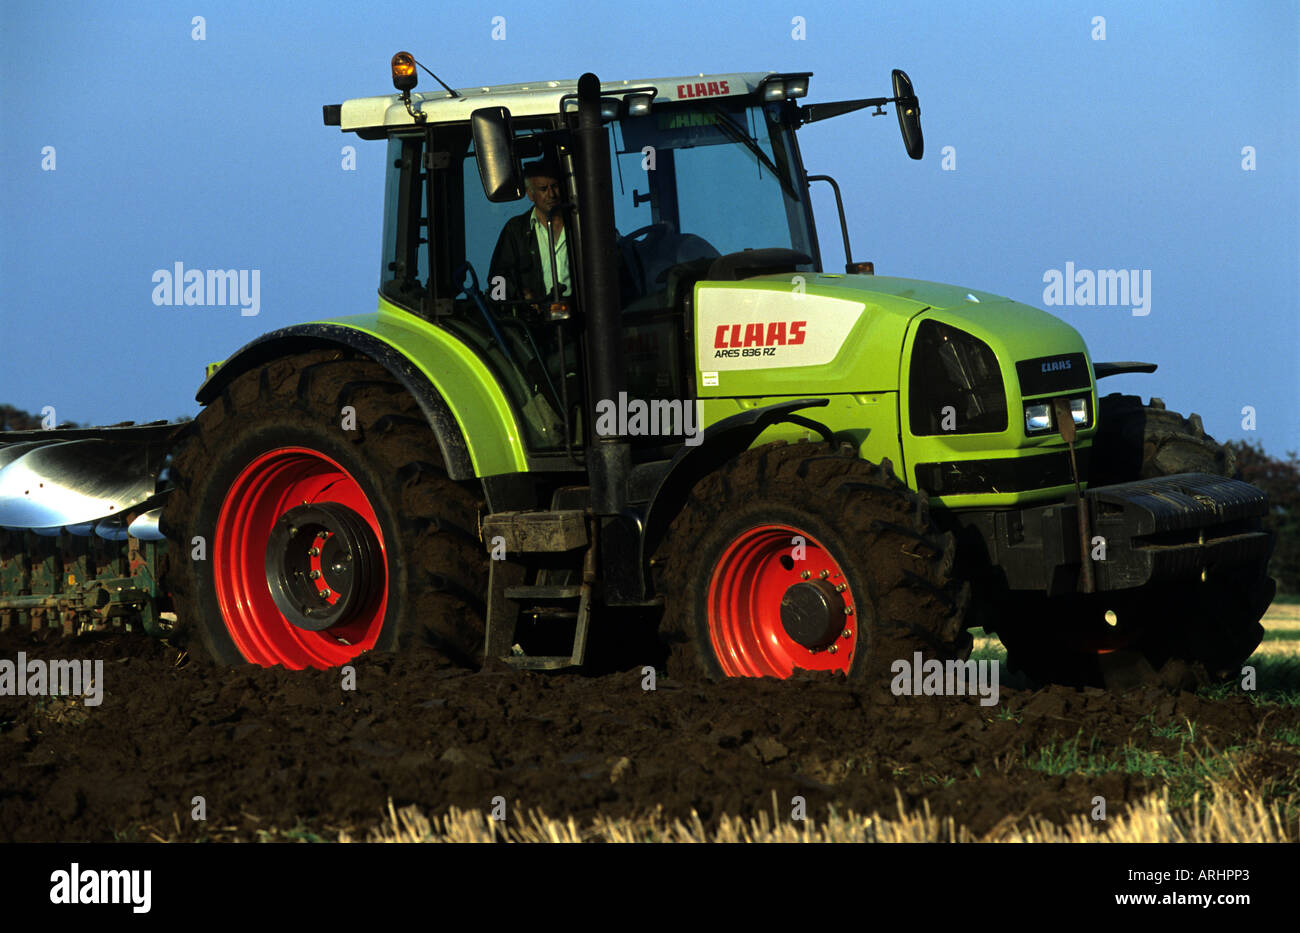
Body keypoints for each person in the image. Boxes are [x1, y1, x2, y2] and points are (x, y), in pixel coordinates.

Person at [488, 158, 571, 311]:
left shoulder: (582, 224)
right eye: (543, 189)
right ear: (530, 194)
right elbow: (496, 280)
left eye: (554, 187)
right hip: (535, 323)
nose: (551, 194)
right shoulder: (515, 230)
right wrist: (519, 295)